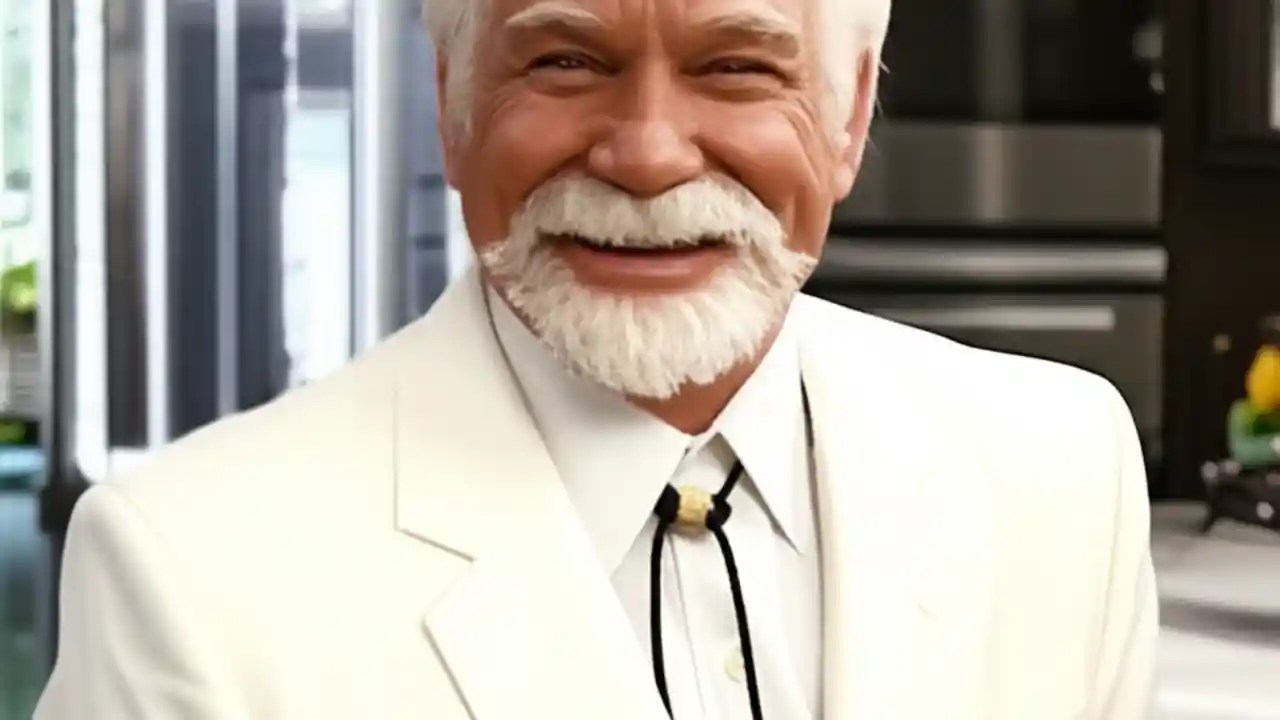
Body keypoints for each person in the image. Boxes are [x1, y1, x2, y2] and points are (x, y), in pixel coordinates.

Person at [35, 0, 1157, 718]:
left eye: (734, 68)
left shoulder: (1062, 474)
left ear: (852, 112)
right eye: (566, 60)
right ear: (452, 108)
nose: (647, 155)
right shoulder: (185, 572)